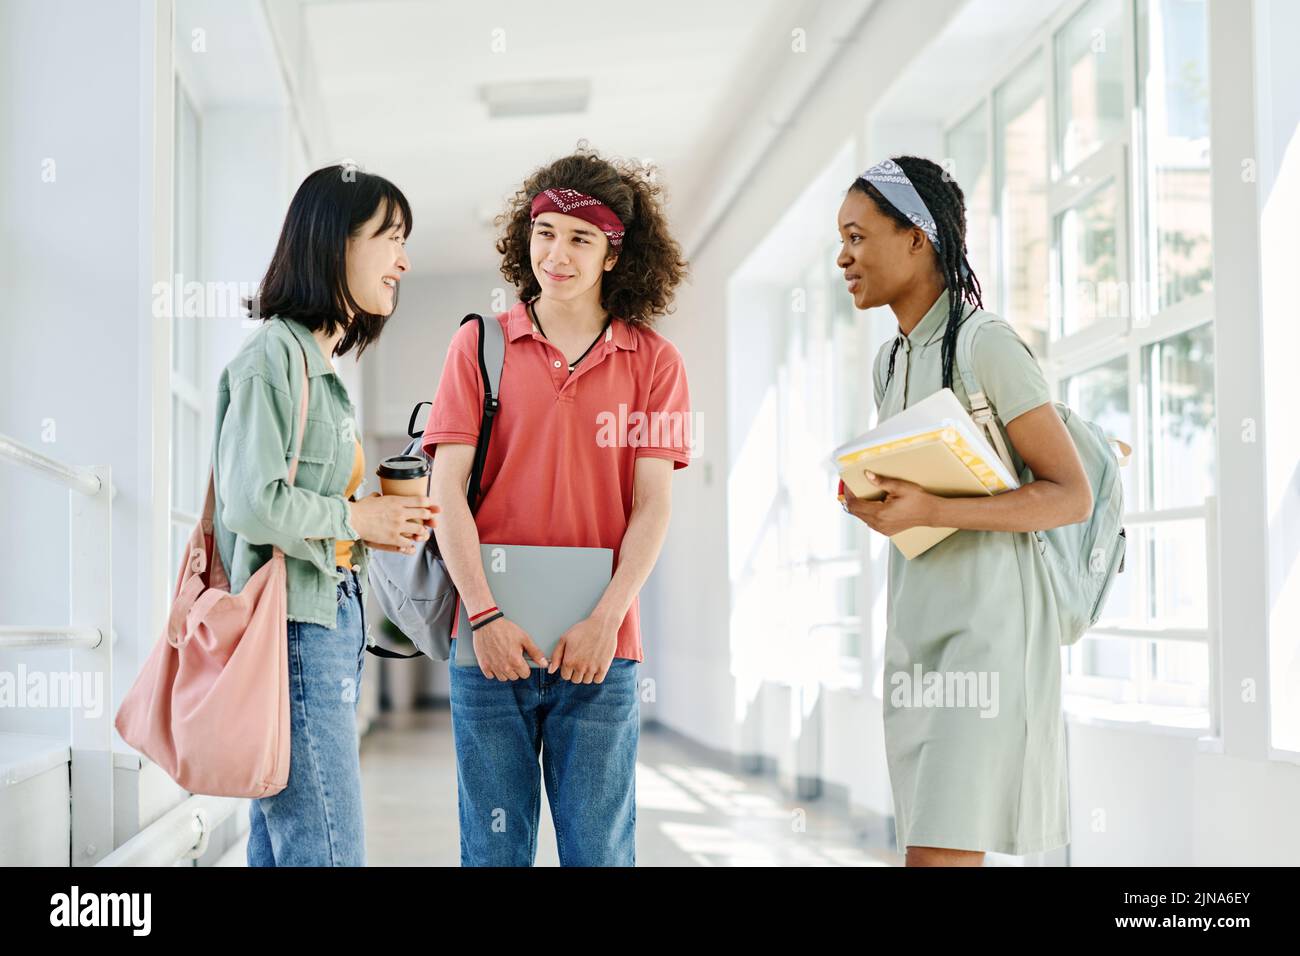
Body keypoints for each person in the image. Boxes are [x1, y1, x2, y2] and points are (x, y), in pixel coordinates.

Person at [423, 144, 692, 866]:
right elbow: (443, 490)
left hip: (600, 651)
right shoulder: (479, 346)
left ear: (615, 254)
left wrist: (606, 621)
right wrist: (482, 615)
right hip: (488, 642)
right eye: (545, 232)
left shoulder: (656, 363)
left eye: (581, 238)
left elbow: (653, 505)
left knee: (599, 853)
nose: (558, 254)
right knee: (493, 852)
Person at [835, 156, 1093, 867]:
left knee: (938, 857)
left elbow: (1071, 495)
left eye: (858, 236)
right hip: (917, 630)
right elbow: (923, 497)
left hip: (989, 637)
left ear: (917, 236)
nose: (843, 256)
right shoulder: (891, 361)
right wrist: (882, 505)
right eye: (841, 239)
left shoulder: (987, 344)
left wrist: (936, 509)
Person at [213, 164, 439, 866]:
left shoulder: (318, 362)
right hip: (294, 628)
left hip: (326, 619)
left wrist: (370, 520)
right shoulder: (274, 356)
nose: (403, 258)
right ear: (335, 242)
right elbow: (251, 502)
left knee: (283, 845)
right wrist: (356, 520)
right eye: (390, 237)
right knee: (327, 846)